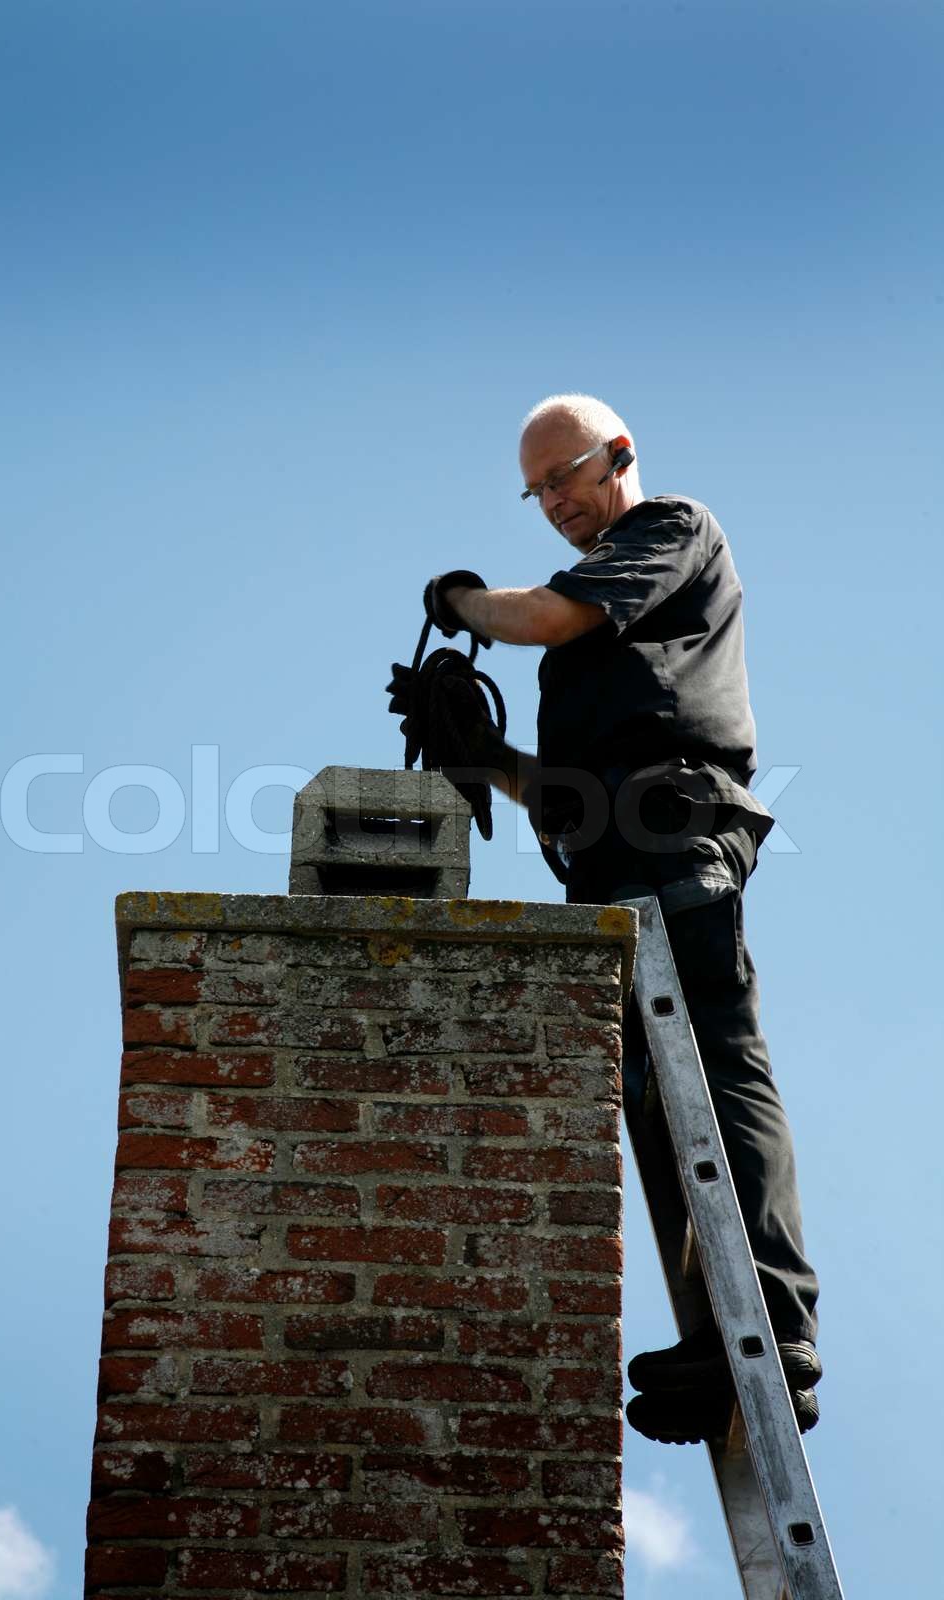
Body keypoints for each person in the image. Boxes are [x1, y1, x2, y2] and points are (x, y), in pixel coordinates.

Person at [403, 392, 822, 1443]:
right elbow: (564, 793)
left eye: (565, 476)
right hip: (605, 855)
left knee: (716, 1066)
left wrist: (459, 602)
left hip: (676, 839)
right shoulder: (585, 654)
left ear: (618, 456)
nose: (552, 502)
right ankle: (718, 1326)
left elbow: (546, 613)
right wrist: (483, 757)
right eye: (536, 490)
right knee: (650, 1101)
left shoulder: (667, 530)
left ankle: (774, 1316)